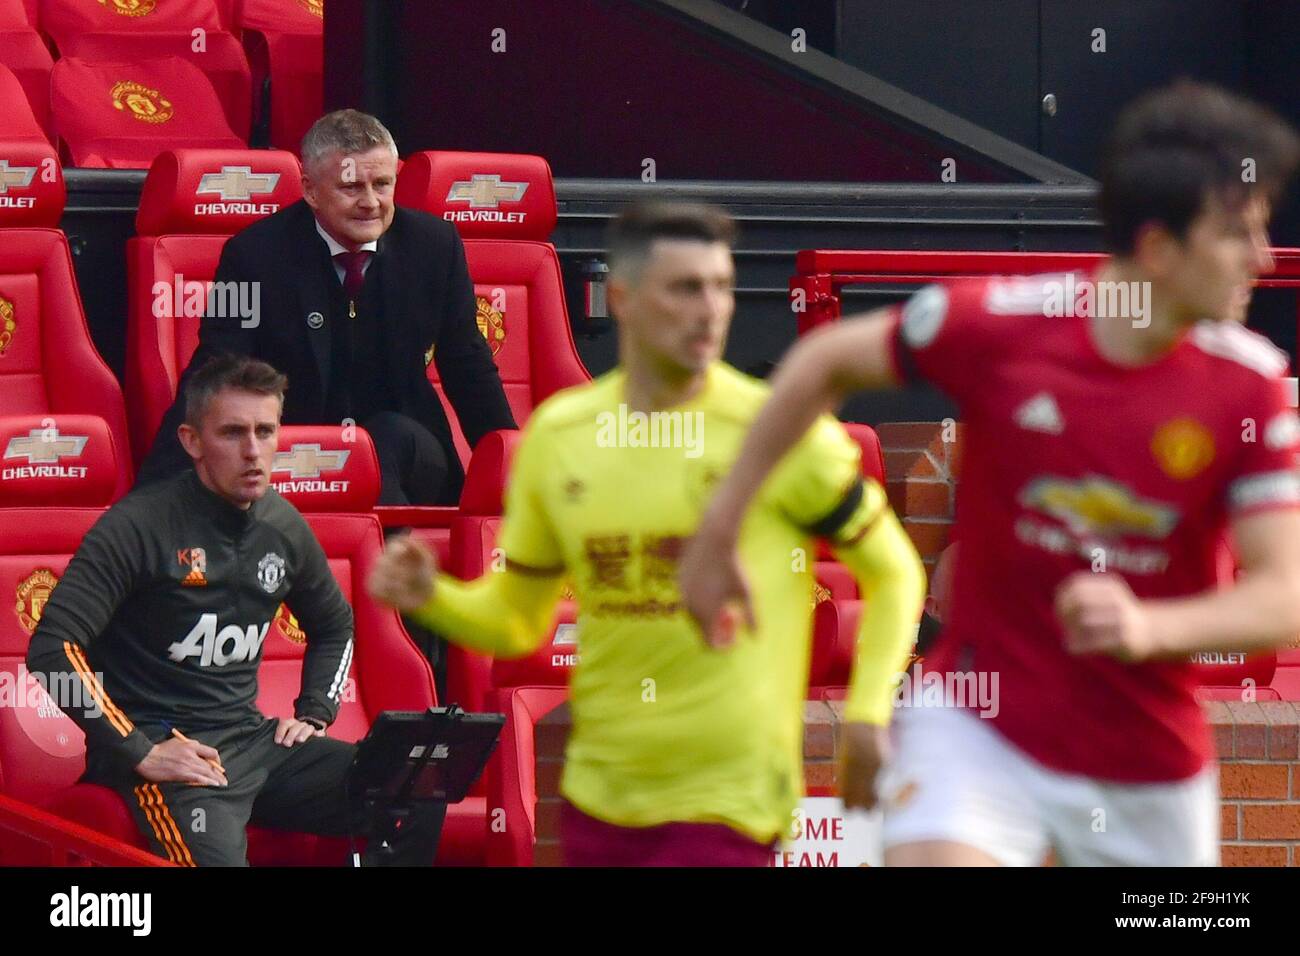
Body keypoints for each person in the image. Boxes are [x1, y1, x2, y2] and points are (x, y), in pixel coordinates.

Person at [679, 81, 1300, 867]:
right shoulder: (1000, 323)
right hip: (979, 725)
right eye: (1236, 234)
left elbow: (1282, 598)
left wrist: (1149, 629)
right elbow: (823, 361)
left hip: (1146, 761)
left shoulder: (1250, 383)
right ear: (1157, 247)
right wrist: (721, 526)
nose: (1263, 259)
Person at [368, 202, 924, 866]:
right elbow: (517, 623)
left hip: (730, 796)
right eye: (687, 288)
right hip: (600, 798)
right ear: (624, 299)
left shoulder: (782, 432)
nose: (711, 309)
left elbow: (896, 572)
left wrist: (866, 711)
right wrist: (434, 595)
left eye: (721, 287)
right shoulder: (559, 438)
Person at [27, 354, 444, 866]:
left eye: (265, 431)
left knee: (412, 787)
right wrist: (139, 750)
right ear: (192, 442)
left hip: (252, 740)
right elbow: (52, 649)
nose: (253, 452)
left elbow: (336, 625)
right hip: (174, 756)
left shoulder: (283, 526)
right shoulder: (136, 526)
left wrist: (316, 710)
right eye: (232, 433)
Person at [137, 109, 516, 505]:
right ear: (310, 190)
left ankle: (376, 561)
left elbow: (468, 366)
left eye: (383, 185)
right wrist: (151, 498)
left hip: (413, 449)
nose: (370, 202)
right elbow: (217, 370)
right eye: (351, 187)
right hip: (301, 455)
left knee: (385, 438)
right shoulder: (251, 254)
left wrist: (515, 473)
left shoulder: (436, 247)